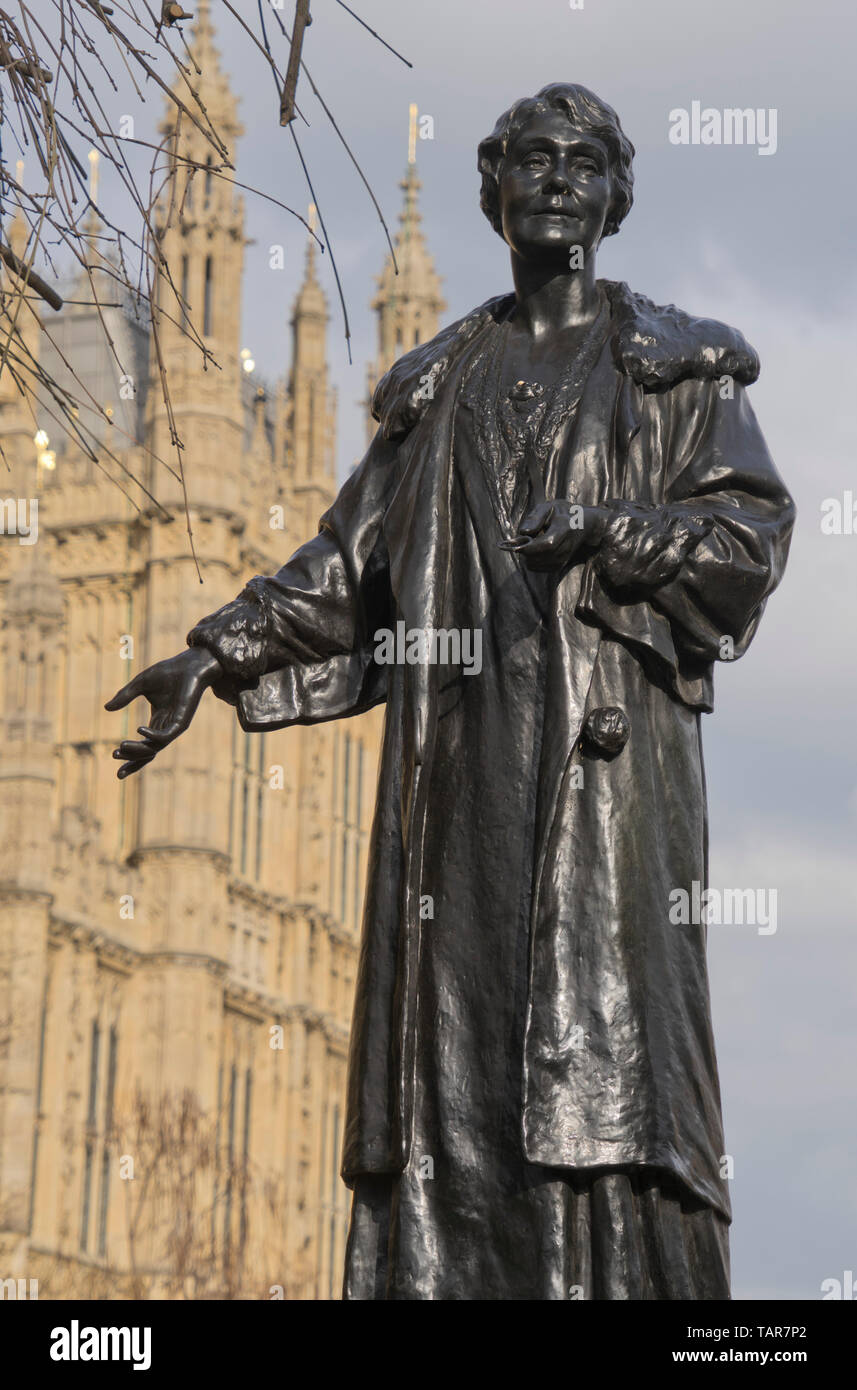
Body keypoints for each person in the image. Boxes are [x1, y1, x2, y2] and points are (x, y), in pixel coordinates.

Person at [107, 84, 795, 1300]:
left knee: (604, 1109)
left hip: (599, 816)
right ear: (497, 190)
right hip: (459, 806)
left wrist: (614, 533)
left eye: (584, 162)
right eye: (532, 159)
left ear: (614, 195)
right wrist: (212, 650)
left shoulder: (675, 373)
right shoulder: (436, 393)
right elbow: (347, 568)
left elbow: (746, 541)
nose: (557, 179)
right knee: (456, 1114)